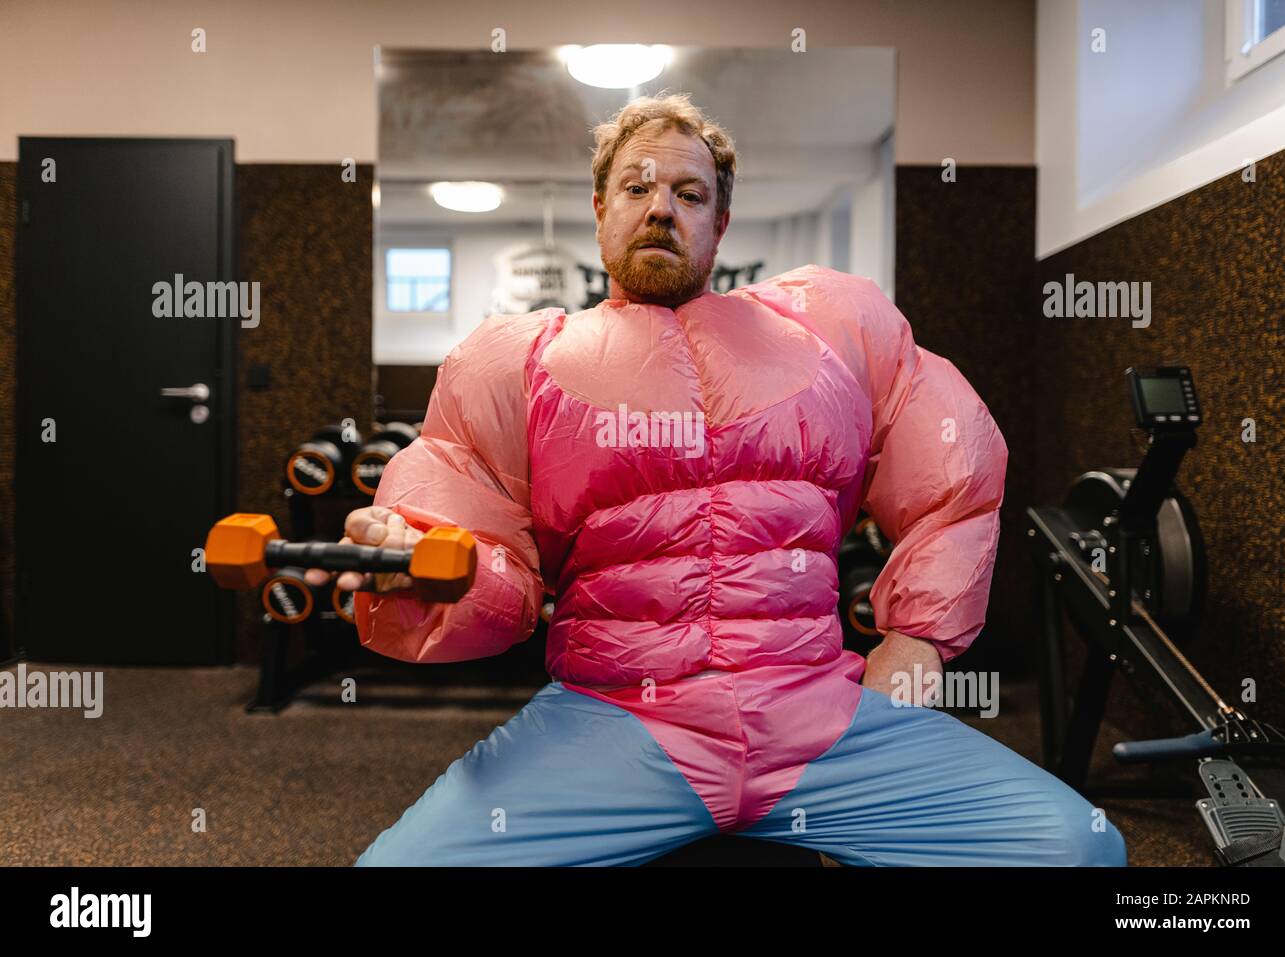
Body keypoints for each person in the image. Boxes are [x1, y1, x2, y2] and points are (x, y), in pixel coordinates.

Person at [308, 92, 1127, 867]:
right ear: (601, 210)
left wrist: (915, 639)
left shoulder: (831, 330)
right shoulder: (516, 363)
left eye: (689, 193)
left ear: (720, 222)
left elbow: (958, 469)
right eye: (637, 186)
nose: (660, 205)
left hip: (816, 713)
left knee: (1078, 845)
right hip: (617, 718)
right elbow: (495, 577)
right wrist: (425, 566)